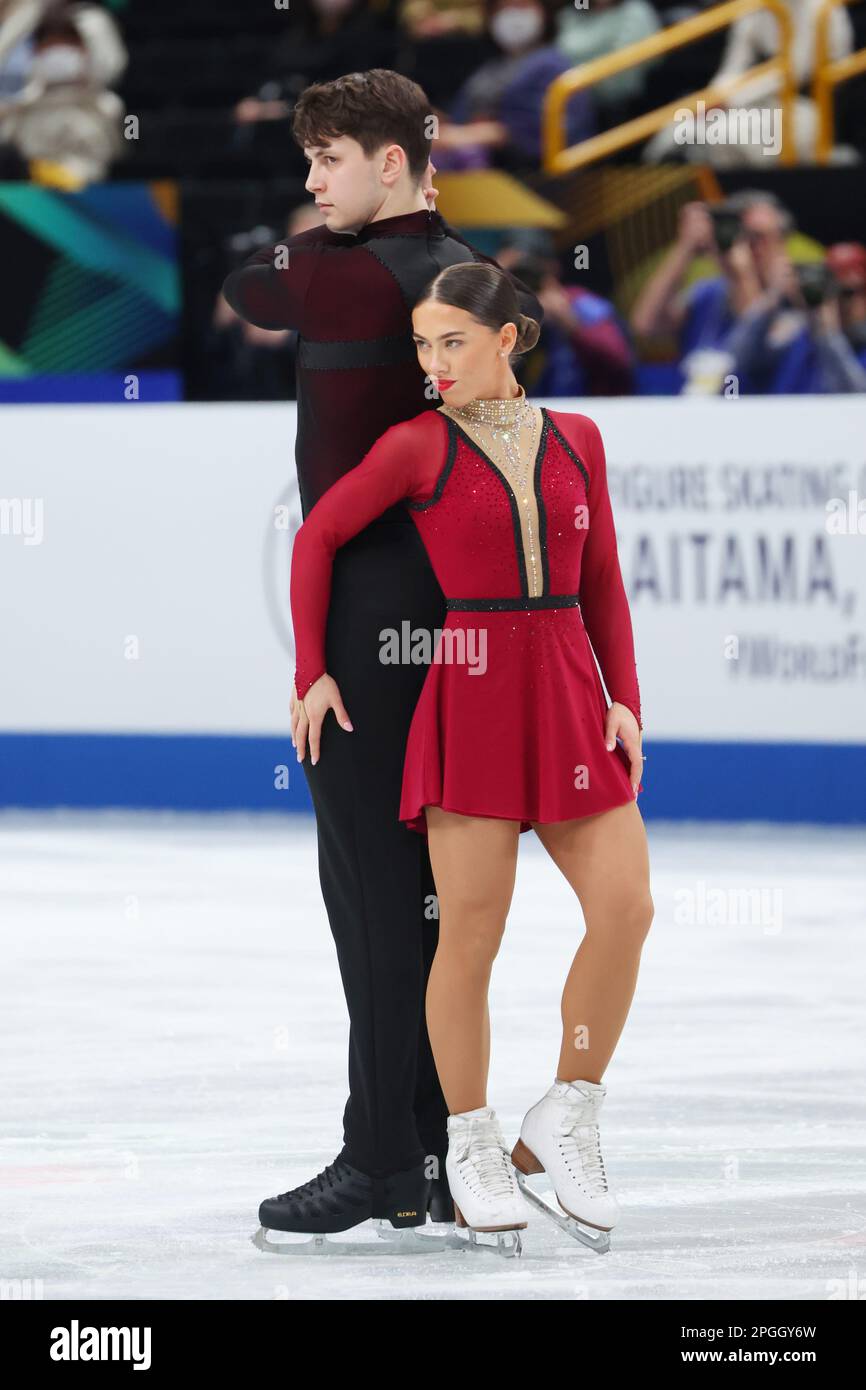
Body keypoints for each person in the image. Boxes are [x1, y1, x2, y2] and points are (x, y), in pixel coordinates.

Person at [222, 68, 543, 1238]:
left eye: (329, 160)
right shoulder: (461, 272)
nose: (310, 183)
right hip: (452, 628)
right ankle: (433, 1156)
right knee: (429, 908)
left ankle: (377, 1158)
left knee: (369, 896)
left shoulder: (343, 274)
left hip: (364, 629)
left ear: (393, 163)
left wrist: (304, 246)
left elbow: (241, 286)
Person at [290, 260, 654, 1242]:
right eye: (420, 344)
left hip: (568, 694)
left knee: (625, 907)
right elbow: (317, 536)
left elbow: (603, 581)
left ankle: (567, 1108)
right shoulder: (414, 446)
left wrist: (624, 698)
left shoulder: (579, 437)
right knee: (470, 938)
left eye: (451, 340)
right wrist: (309, 675)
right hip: (473, 694)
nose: (432, 361)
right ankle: (470, 1138)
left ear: (508, 338)